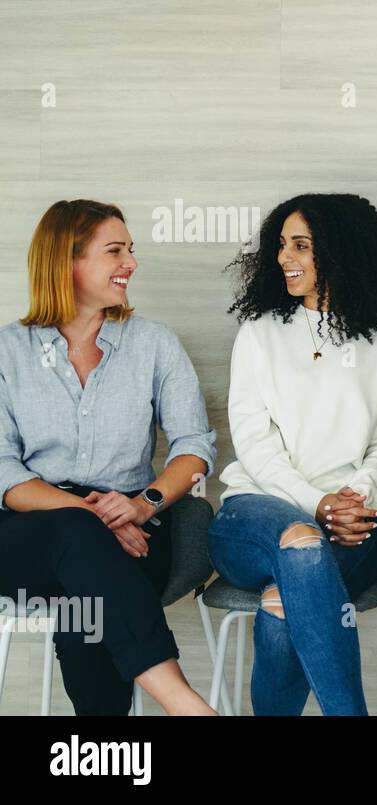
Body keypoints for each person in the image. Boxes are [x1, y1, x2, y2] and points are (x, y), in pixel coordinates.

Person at [0, 199, 217, 715]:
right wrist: (90, 516)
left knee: (84, 619)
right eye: (115, 251)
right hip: (28, 530)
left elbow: (194, 446)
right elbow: (4, 472)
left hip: (133, 526)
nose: (131, 264)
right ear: (66, 262)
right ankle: (186, 705)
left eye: (131, 250)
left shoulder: (154, 344)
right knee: (80, 538)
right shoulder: (9, 350)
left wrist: (144, 504)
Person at [208, 193, 377, 715]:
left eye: (300, 245)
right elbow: (253, 444)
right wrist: (315, 504)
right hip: (255, 513)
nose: (283, 258)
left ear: (339, 252)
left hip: (354, 521)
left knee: (281, 603)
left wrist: (355, 499)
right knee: (300, 542)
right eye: (281, 245)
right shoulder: (259, 335)